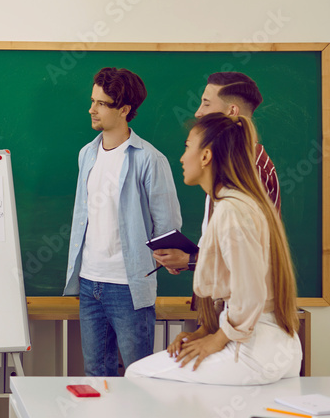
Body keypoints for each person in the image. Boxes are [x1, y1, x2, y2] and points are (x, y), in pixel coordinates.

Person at [126, 113, 302, 384]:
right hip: (275, 345)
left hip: (254, 349)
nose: (183, 158)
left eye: (187, 147)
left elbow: (250, 292)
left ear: (206, 156)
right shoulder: (240, 202)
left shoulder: (231, 209)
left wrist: (217, 340)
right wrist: (204, 333)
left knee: (137, 375)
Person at [63, 68, 182, 377]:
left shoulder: (149, 159)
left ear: (124, 109)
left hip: (128, 287)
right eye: (92, 101)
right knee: (96, 375)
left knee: (139, 377)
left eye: (101, 103)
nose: (91, 109)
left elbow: (168, 228)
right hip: (89, 284)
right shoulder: (86, 155)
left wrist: (146, 267)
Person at [153, 71, 280, 275]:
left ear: (231, 111)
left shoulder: (250, 168)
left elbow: (248, 251)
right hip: (223, 295)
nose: (198, 112)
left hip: (239, 300)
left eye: (206, 103)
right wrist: (189, 259)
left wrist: (190, 260)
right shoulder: (228, 163)